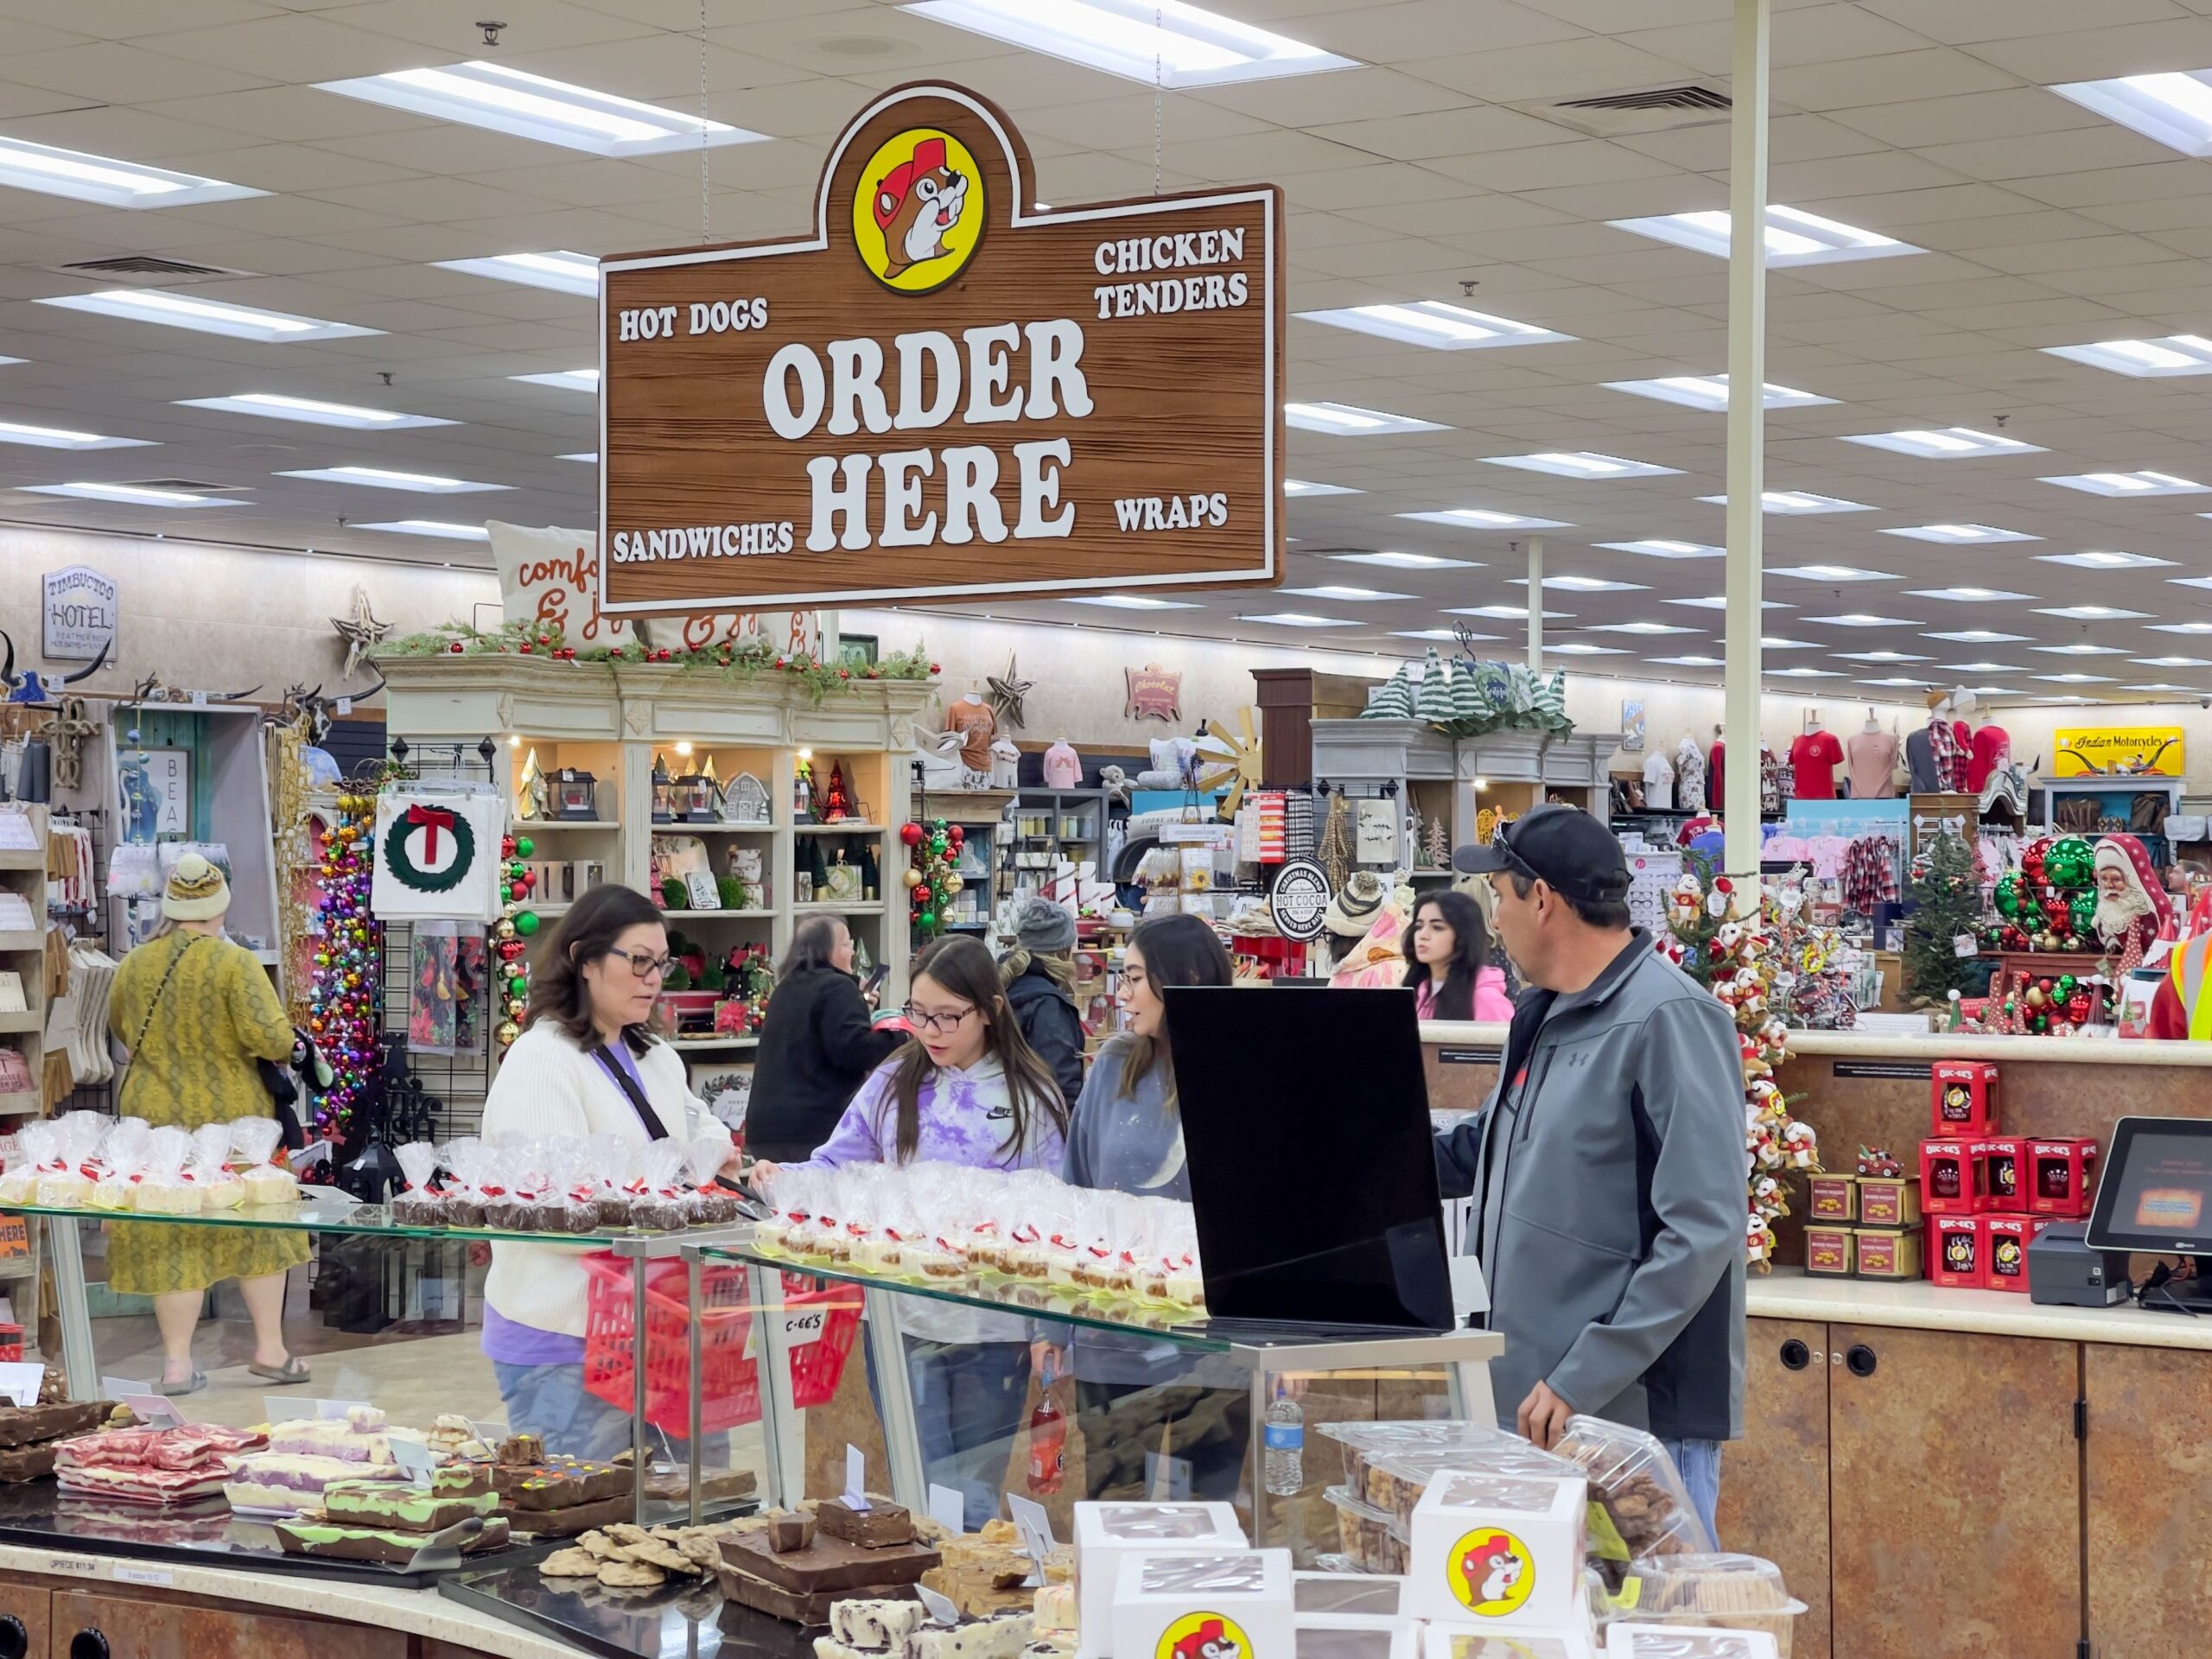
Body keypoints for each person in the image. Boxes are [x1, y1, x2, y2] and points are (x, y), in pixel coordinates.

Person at [1440, 806, 1744, 1542]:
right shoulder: (1544, 1016)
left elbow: (1703, 1227)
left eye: (1500, 898)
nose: (1495, 920)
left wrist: (1582, 1376)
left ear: (1541, 898)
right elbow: (1485, 1149)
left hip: (1632, 1423)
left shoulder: (1668, 1018)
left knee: (1655, 1630)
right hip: (1532, 1411)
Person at [753, 934, 1068, 1529]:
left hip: (992, 1325)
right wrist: (783, 1179)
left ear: (991, 1012)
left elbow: (1054, 1217)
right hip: (901, 1318)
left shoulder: (1030, 1096)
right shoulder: (895, 1080)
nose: (931, 1029)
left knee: (973, 1487)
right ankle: (925, 1594)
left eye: (949, 1016)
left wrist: (1048, 1326)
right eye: (919, 1014)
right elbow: (838, 1163)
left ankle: (966, 1602)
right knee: (916, 1477)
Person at [479, 884, 739, 1457]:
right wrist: (678, 1198)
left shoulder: (657, 1056)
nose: (653, 978)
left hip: (663, 1331)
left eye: (661, 963)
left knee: (688, 1514)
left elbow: (705, 1131)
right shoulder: (541, 1060)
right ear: (585, 961)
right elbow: (554, 1206)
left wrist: (708, 1158)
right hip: (566, 1338)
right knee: (583, 1520)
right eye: (639, 960)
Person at [1060, 912, 1248, 1503]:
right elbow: (1077, 1192)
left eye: (1136, 977)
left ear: (1183, 978)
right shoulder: (1114, 1065)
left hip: (1213, 1346)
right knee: (1115, 1513)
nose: (1122, 991)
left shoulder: (1241, 1073)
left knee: (1208, 1519)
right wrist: (1054, 1319)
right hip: (1112, 1338)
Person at [106, 854, 309, 1395]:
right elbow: (272, 1039)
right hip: (233, 1119)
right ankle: (270, 1349)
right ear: (219, 906)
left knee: (172, 1232)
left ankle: (175, 1364)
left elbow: (124, 1032)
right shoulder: (234, 964)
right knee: (258, 1224)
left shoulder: (134, 964)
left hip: (153, 1117)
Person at [746, 914, 901, 1161]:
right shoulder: (838, 987)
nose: (852, 952)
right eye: (846, 944)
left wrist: (858, 1004)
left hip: (766, 1129)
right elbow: (853, 1050)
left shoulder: (786, 987)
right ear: (827, 950)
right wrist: (900, 1038)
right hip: (814, 1128)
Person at [999, 895, 1087, 1104]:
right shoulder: (1048, 1004)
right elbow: (1061, 1082)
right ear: (1065, 951)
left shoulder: (1002, 983)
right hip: (1039, 1121)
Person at [1404, 888, 1515, 1022]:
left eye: (1437, 928)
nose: (1423, 935)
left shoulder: (1485, 998)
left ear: (1463, 934)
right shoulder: (1418, 992)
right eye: (1419, 926)